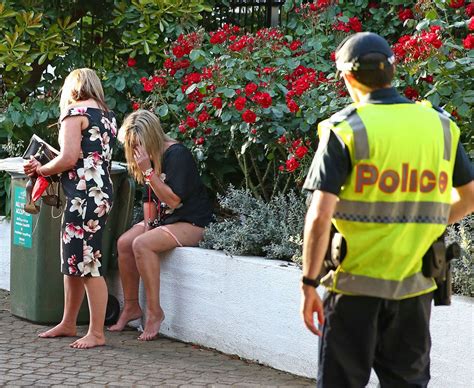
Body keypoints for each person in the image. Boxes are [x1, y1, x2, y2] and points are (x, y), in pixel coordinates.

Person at [300, 32, 474, 387]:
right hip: (416, 290)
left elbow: (319, 217)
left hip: (353, 292)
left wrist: (308, 284)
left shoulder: (344, 129)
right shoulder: (440, 126)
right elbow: (469, 197)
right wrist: (423, 224)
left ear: (347, 77)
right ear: (393, 71)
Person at [24, 68, 118, 349]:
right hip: (100, 193)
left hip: (83, 196)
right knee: (75, 260)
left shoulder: (74, 113)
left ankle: (96, 333)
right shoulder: (108, 116)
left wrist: (41, 168)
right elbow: (86, 156)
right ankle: (67, 323)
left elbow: (68, 158)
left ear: (72, 87)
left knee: (88, 263)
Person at [108, 110, 213, 341]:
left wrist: (147, 171)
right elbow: (150, 199)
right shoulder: (151, 156)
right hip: (166, 220)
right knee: (125, 243)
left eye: (138, 143)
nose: (135, 149)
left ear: (152, 137)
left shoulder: (177, 154)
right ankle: (132, 307)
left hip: (191, 221)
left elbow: (174, 200)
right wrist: (148, 224)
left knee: (142, 245)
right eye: (131, 145)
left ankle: (155, 312)